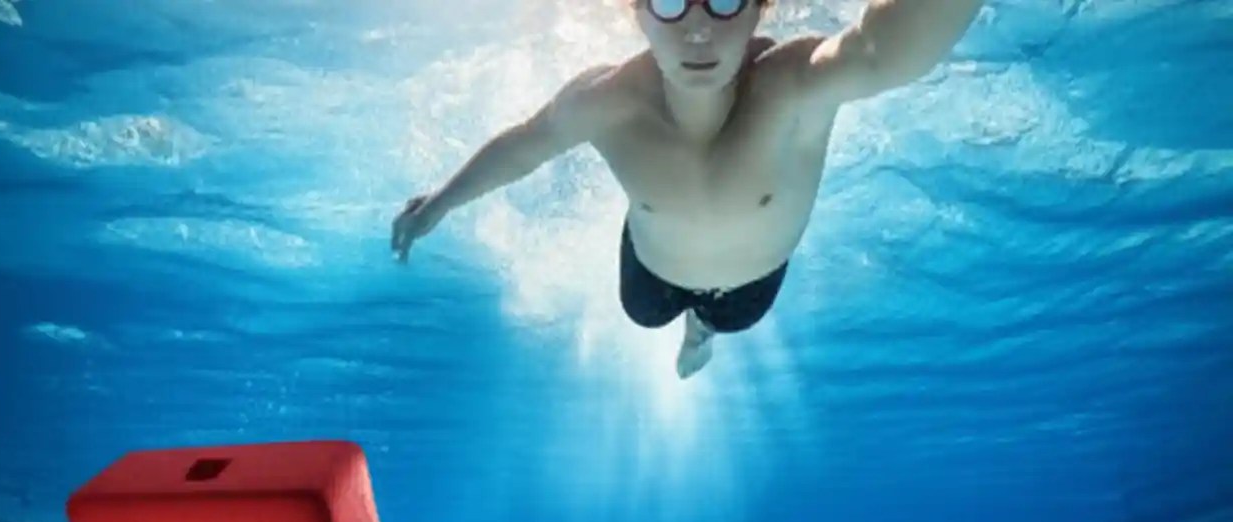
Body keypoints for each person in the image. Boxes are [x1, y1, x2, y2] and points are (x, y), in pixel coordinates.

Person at [391, 0, 983, 378]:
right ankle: (688, 322)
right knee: (645, 316)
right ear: (636, 13)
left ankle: (700, 329)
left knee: (722, 321)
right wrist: (441, 201)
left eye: (725, 2)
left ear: (760, 10)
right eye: (669, 3)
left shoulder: (795, 87)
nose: (697, 29)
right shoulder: (607, 103)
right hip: (650, 272)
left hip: (752, 285)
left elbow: (880, 50)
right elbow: (525, 143)